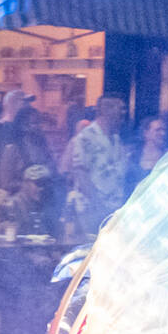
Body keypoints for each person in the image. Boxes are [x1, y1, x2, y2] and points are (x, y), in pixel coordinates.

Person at [64, 95, 130, 235]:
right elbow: (81, 173)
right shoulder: (86, 137)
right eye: (121, 109)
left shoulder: (116, 139)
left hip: (113, 209)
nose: (124, 113)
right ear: (106, 110)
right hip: (91, 210)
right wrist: (97, 205)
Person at [131, 114, 168, 189]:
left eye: (164, 130)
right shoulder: (133, 156)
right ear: (146, 133)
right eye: (158, 130)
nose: (163, 133)